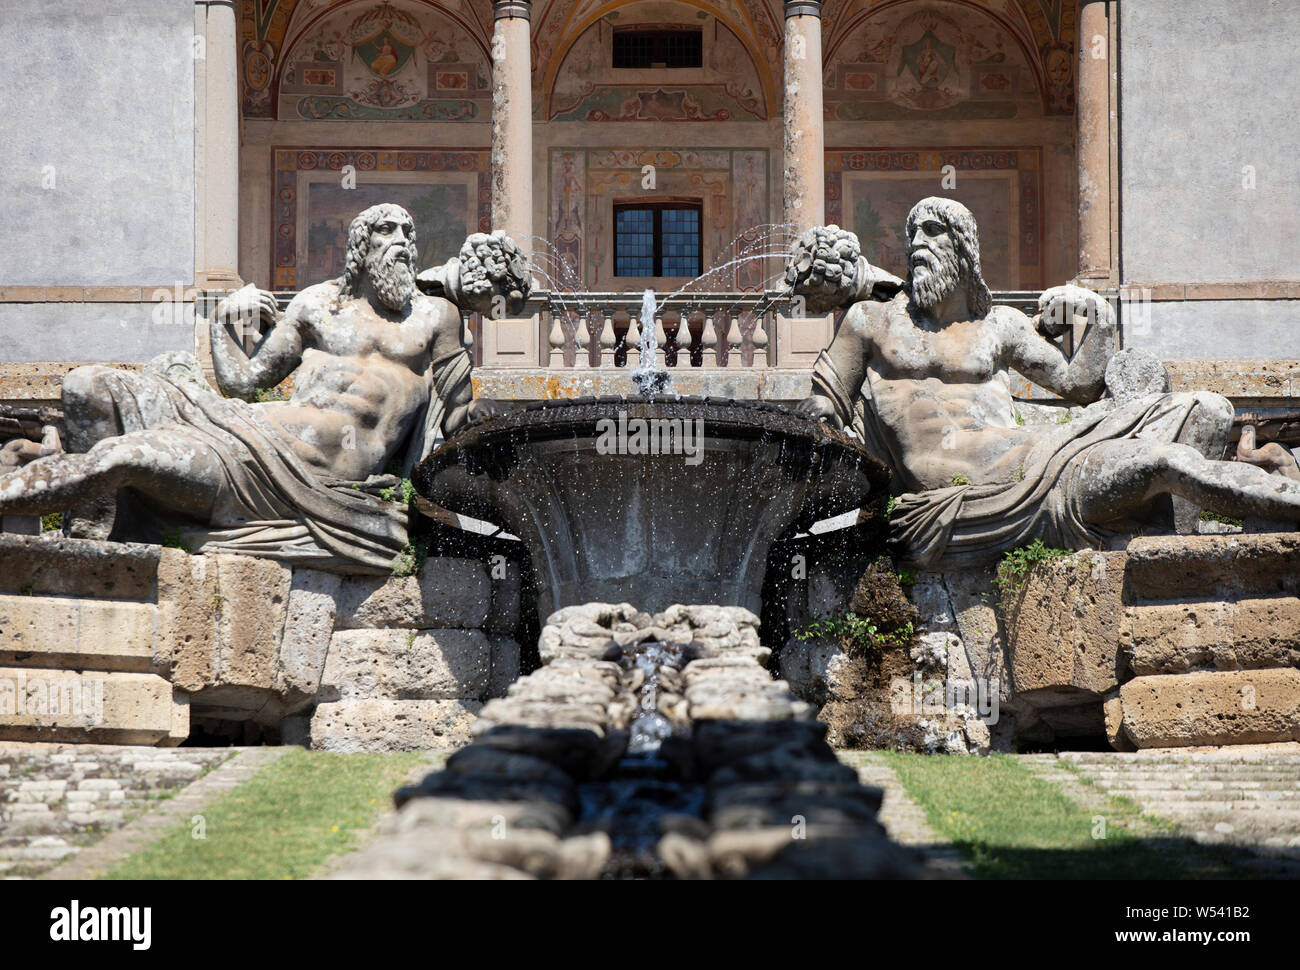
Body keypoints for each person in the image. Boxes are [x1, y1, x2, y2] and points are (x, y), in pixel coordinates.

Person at [790, 197, 1300, 568]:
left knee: (1206, 407)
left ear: (964, 249)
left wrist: (1094, 316)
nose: (918, 242)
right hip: (979, 492)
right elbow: (822, 407)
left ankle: (1181, 540)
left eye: (934, 231)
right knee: (1162, 461)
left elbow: (1079, 385)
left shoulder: (1001, 325)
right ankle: (1252, 515)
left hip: (1036, 451)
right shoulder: (870, 320)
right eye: (913, 233)